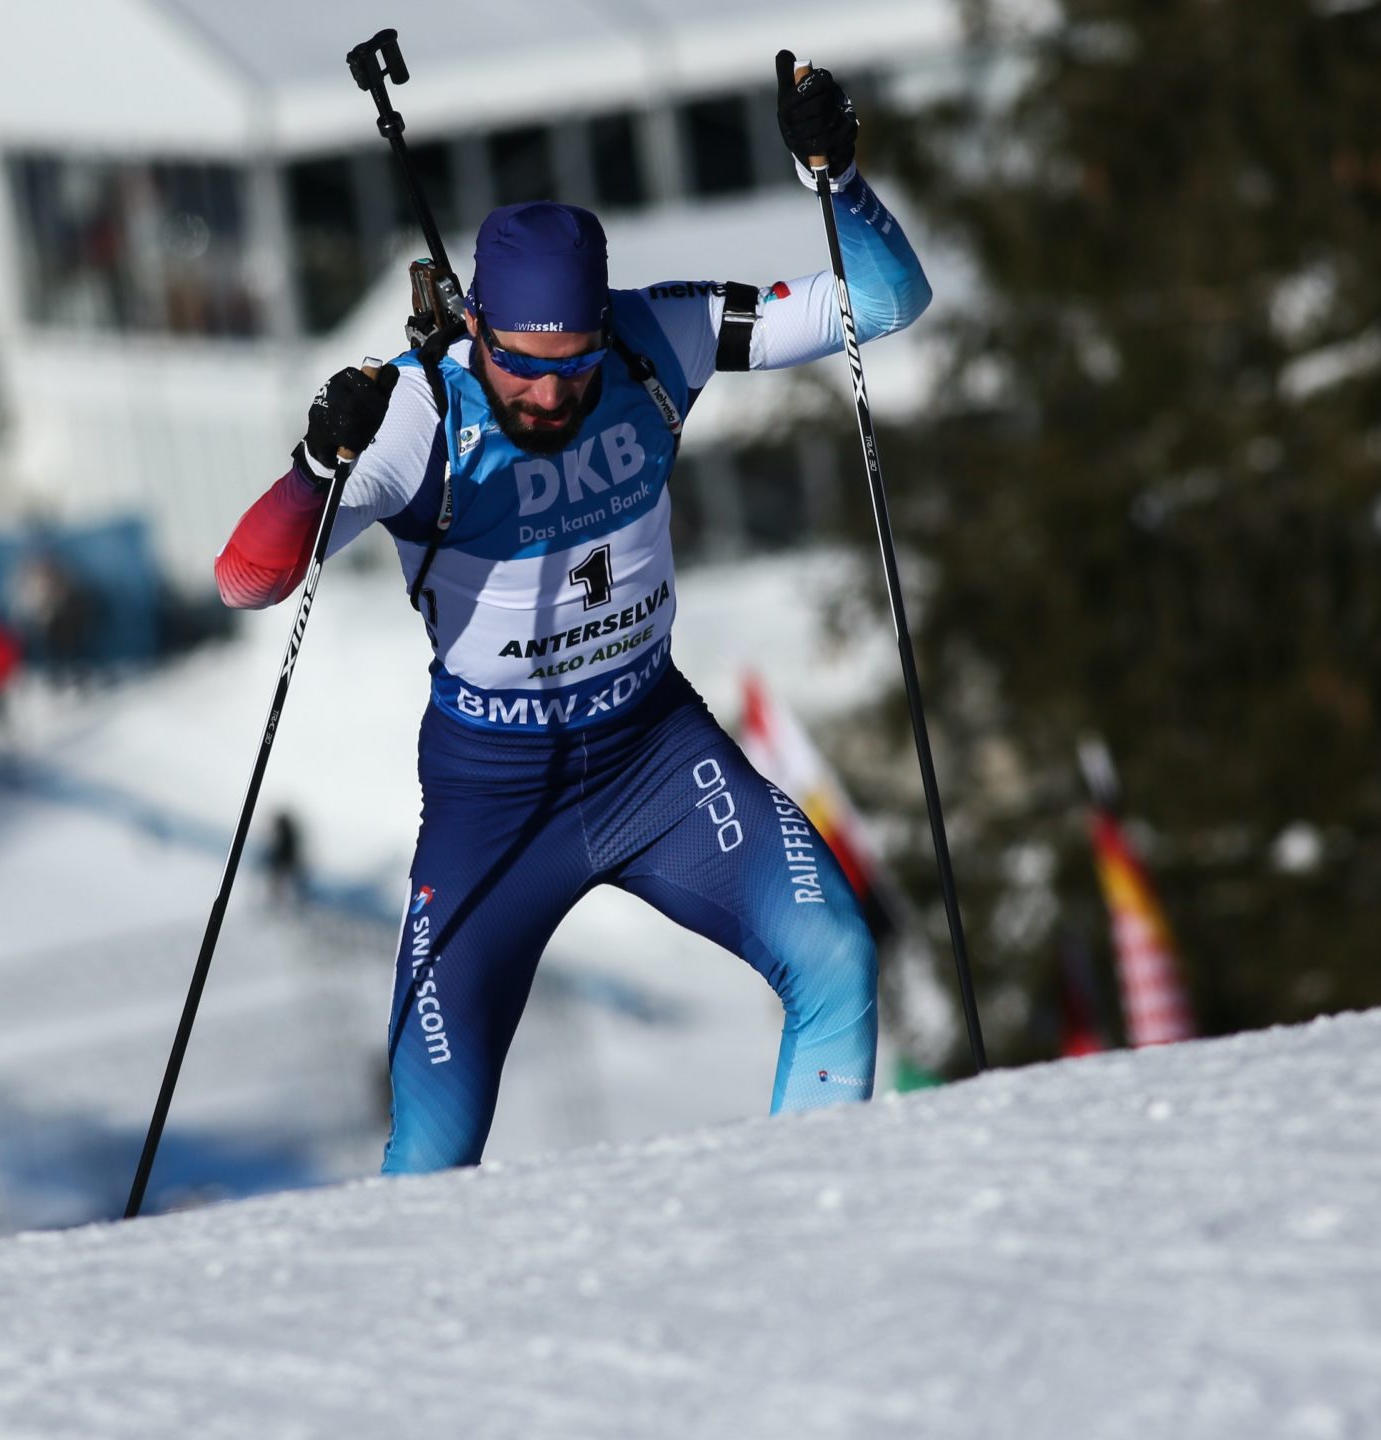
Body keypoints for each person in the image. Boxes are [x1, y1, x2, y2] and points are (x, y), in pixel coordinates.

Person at [215, 61, 930, 1172]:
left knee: (836, 952)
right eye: (522, 369)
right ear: (477, 330)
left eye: (575, 367)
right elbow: (246, 579)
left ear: (604, 328)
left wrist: (834, 178)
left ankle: (814, 1237)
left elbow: (883, 304)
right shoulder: (416, 414)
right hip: (492, 799)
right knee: (435, 1146)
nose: (549, 396)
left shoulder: (660, 340)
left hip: (652, 753)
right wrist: (318, 463)